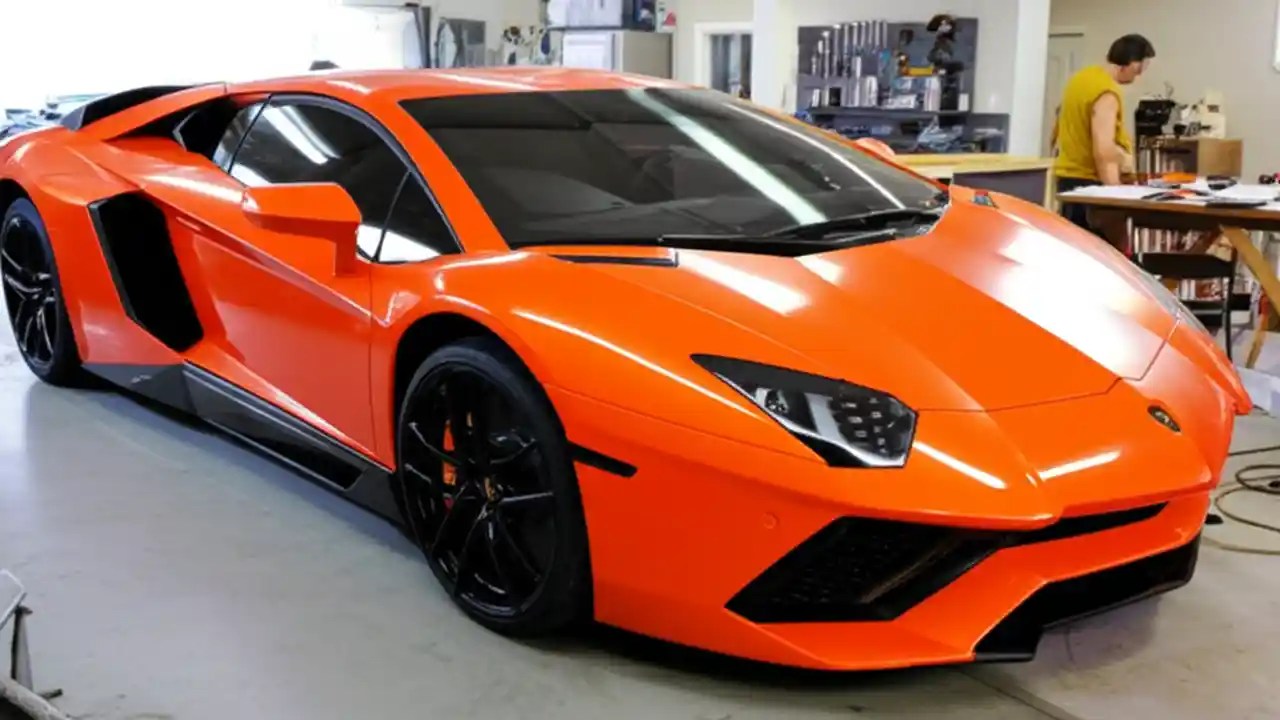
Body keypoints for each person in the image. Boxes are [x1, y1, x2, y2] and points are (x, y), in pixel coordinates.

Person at [1053, 34, 1156, 237]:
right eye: (1141, 68)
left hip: (1067, 180)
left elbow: (1057, 124)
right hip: (1090, 186)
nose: (1138, 76)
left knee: (1075, 250)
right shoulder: (1107, 92)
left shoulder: (1080, 78)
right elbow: (1104, 150)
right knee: (1103, 257)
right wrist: (1114, 195)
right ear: (1133, 64)